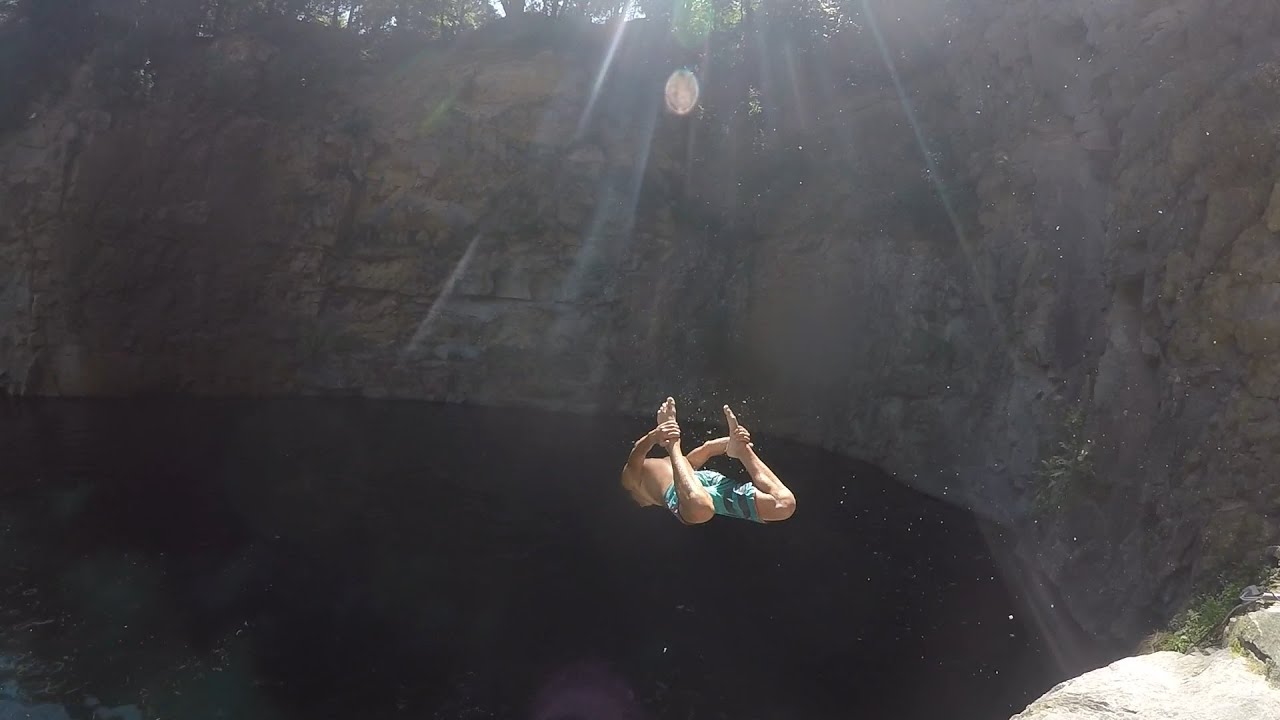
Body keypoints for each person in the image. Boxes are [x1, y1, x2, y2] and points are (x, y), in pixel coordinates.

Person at [620, 397, 796, 524]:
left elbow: (636, 453)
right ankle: (742, 451)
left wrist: (656, 434)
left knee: (700, 506)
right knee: (784, 506)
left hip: (691, 485)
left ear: (638, 502)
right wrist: (734, 442)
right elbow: (707, 450)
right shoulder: (666, 473)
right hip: (694, 486)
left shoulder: (632, 482)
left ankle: (674, 444)